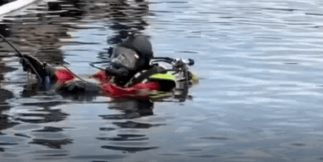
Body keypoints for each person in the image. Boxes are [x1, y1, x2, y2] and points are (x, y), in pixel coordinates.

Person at [20, 34, 196, 99]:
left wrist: (98, 90)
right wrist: (49, 71)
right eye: (118, 55)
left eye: (126, 58)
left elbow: (133, 92)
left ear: (141, 62)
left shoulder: (152, 81)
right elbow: (86, 78)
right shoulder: (116, 73)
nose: (119, 61)